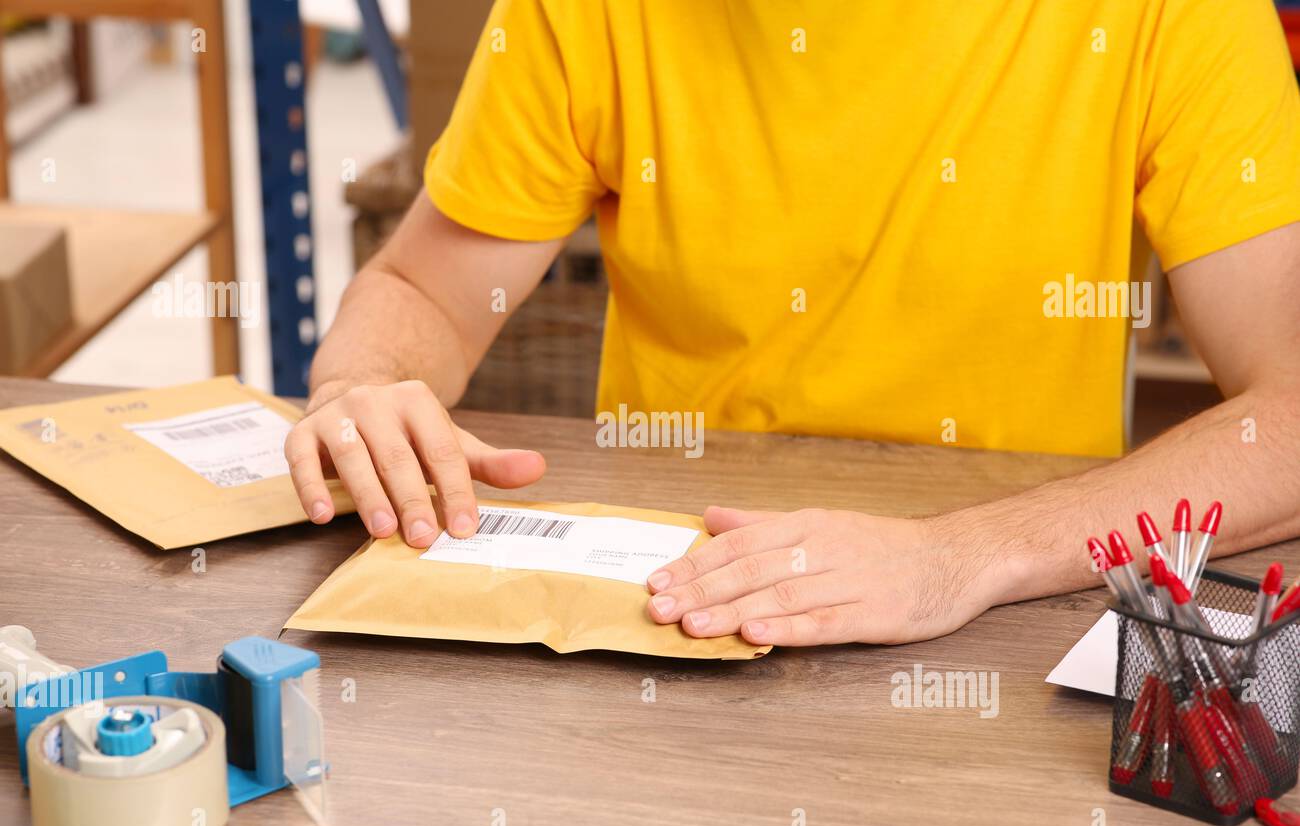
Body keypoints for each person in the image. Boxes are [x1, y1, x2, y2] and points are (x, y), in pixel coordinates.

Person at [285, 0, 1300, 647]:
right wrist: (361, 387)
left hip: (1011, 617)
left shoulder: (1174, 14)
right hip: (669, 607)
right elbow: (423, 295)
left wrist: (963, 555)